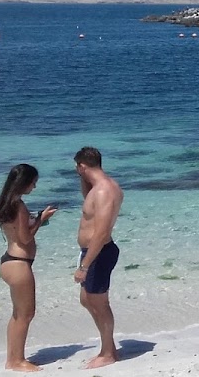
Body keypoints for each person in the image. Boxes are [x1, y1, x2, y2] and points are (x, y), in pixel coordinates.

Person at [0, 163, 57, 372]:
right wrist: (41, 219)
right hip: (20, 265)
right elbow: (25, 237)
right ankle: (17, 360)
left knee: (18, 314)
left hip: (10, 261)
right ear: (25, 182)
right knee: (26, 314)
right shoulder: (19, 206)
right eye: (33, 183)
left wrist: (36, 220)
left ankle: (13, 358)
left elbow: (17, 232)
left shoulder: (5, 203)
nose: (34, 187)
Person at [73, 147, 124, 369]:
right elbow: (88, 201)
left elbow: (101, 233)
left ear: (82, 166)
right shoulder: (101, 188)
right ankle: (108, 346)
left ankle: (107, 352)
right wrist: (84, 179)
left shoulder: (103, 191)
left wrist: (84, 266)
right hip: (95, 252)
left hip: (98, 253)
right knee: (87, 299)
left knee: (99, 303)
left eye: (78, 168)